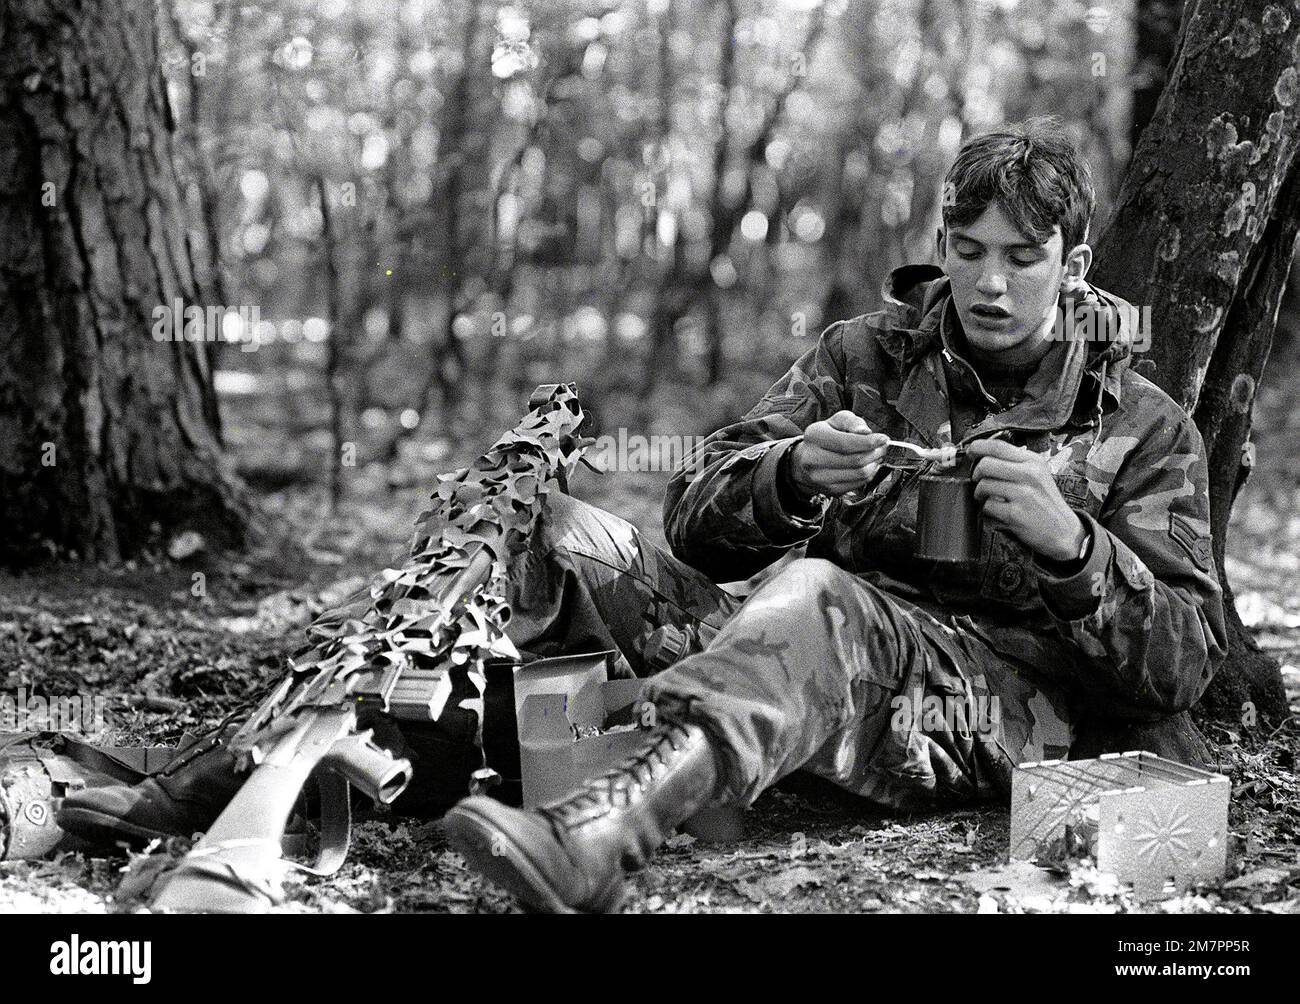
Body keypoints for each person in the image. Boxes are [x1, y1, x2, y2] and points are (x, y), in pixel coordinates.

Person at [59, 116, 1226, 915]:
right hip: (780, 649)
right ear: (937, 244)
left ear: (1071, 264)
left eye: (1023, 259)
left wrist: (1075, 550)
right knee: (547, 525)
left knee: (823, 600)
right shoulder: (863, 355)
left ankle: (596, 837)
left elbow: (1182, 666)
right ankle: (267, 762)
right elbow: (692, 521)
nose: (989, 282)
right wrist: (786, 478)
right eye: (966, 250)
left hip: (982, 706)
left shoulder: (1140, 420)